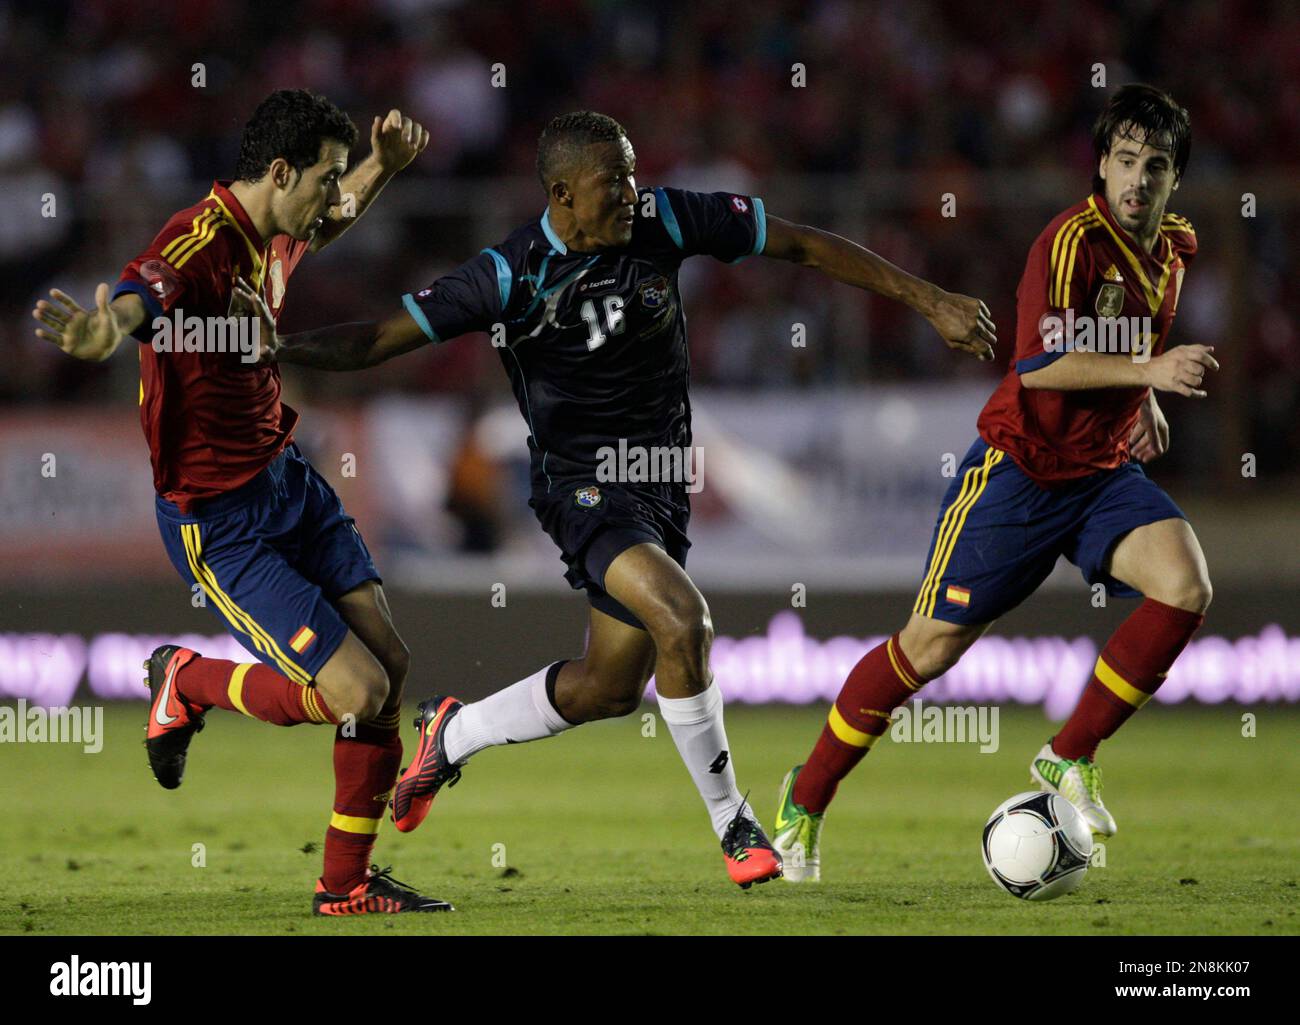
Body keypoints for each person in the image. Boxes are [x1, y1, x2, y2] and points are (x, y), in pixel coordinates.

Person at [261, 110, 996, 888]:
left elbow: (804, 243)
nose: (630, 194)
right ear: (562, 193)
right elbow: (377, 340)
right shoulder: (510, 273)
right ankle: (733, 821)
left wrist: (930, 299)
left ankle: (453, 733)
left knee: (610, 686)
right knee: (684, 617)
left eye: (633, 175)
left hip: (660, 484)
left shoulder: (664, 218)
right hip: (580, 487)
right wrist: (274, 351)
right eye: (613, 183)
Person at [774, 84, 1214, 882]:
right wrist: (1149, 369)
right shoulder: (1070, 241)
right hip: (1020, 472)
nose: (1137, 180)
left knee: (1184, 585)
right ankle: (802, 801)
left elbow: (1125, 328)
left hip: (1103, 473)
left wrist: (1141, 393)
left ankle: (1068, 752)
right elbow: (1040, 367)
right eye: (1123, 161)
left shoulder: (1175, 246)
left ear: (1175, 177)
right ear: (1101, 166)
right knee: (928, 648)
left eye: (1155, 165)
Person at [31, 89, 448, 915]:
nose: (333, 196)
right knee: (356, 692)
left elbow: (336, 216)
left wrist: (381, 168)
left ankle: (348, 883)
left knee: (389, 669)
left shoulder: (282, 227)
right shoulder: (197, 245)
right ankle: (188, 680)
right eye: (324, 178)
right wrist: (97, 335)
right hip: (219, 522)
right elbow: (135, 297)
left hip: (286, 480)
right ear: (281, 171)